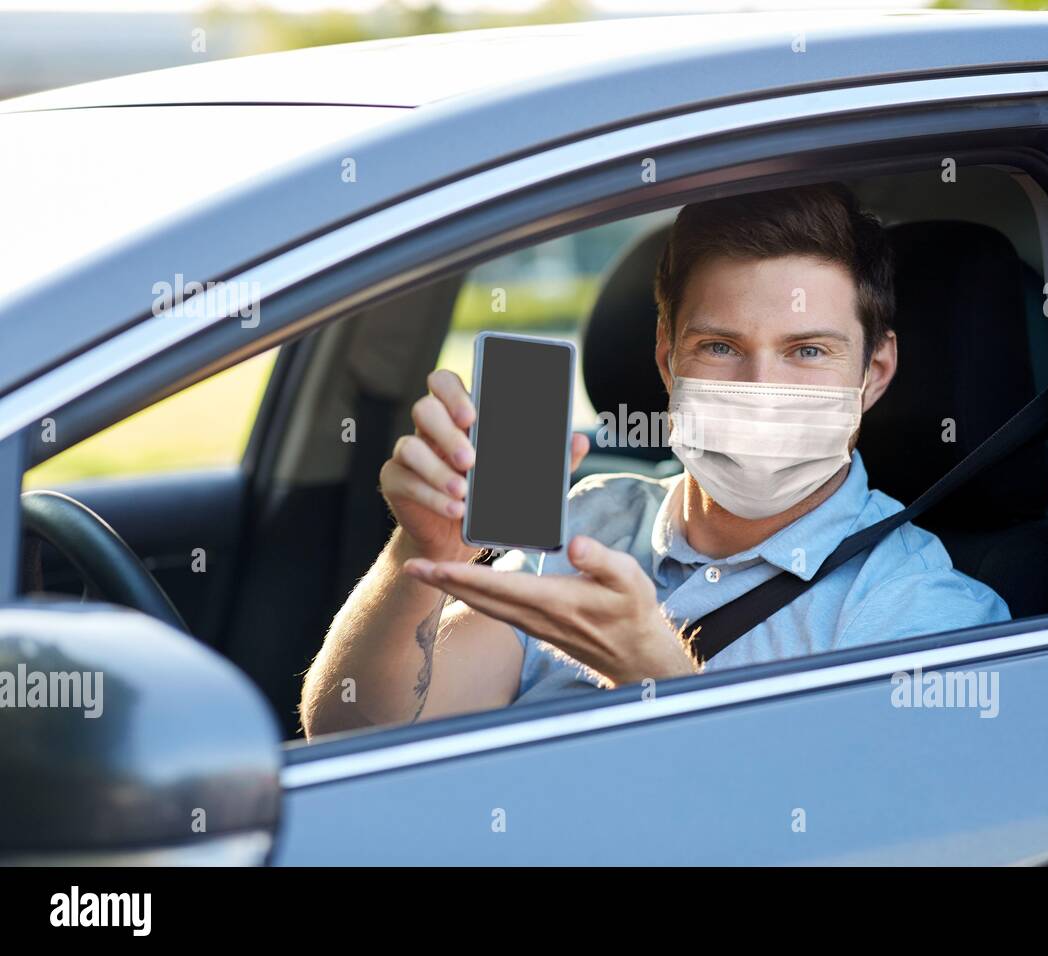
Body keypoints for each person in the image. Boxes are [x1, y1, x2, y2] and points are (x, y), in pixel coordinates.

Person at [301, 182, 1009, 738]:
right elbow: (353, 735)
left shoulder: (920, 613)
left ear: (875, 372)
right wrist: (419, 555)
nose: (762, 391)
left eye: (808, 352)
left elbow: (858, 838)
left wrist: (662, 681)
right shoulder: (581, 522)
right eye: (722, 348)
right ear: (668, 358)